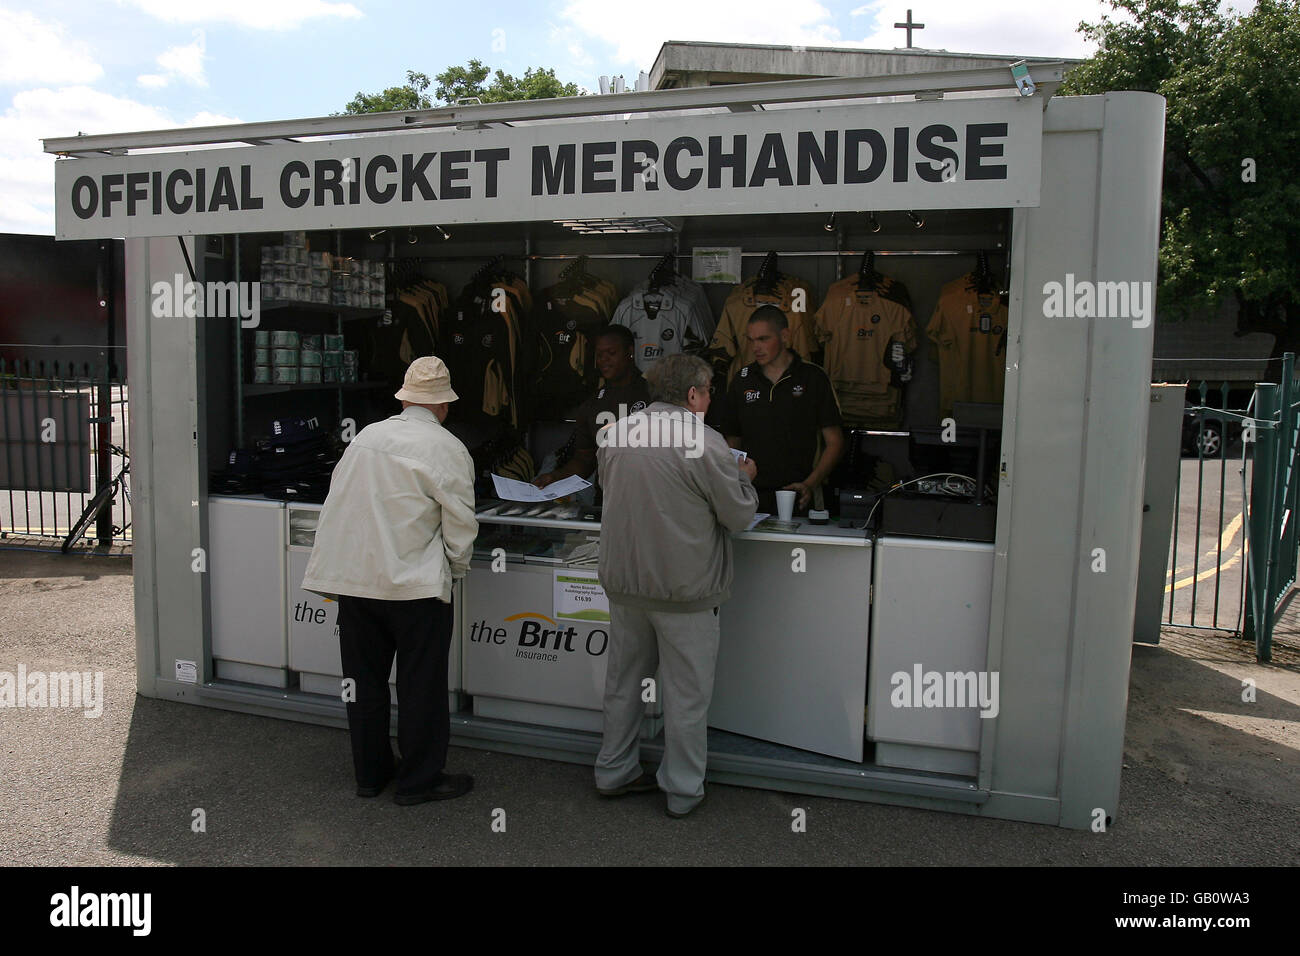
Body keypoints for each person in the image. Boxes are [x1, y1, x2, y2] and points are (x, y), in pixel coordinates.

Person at [301, 356, 478, 805]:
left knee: (364, 685)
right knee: (421, 686)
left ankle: (371, 775)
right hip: (415, 587)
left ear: (404, 398)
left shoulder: (366, 438)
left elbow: (338, 504)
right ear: (444, 406)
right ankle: (418, 782)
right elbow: (461, 525)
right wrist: (454, 572)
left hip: (358, 584)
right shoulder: (448, 448)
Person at [594, 353, 759, 818]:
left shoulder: (615, 434)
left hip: (626, 583)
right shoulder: (705, 443)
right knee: (686, 695)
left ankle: (613, 771)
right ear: (693, 394)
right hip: (686, 590)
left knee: (623, 683)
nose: (709, 400)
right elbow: (738, 516)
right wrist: (744, 479)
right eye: (708, 392)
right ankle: (683, 790)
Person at [716, 305, 845, 515]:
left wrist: (810, 484)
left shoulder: (813, 378)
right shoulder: (742, 379)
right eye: (751, 340)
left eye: (763, 339)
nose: (755, 347)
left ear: (784, 336)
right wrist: (736, 485)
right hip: (752, 494)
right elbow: (732, 442)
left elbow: (835, 442)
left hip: (800, 494)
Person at [534, 324, 650, 489]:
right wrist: (555, 476)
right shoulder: (592, 405)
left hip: (649, 498)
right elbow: (584, 459)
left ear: (629, 352)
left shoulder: (654, 394)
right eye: (599, 355)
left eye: (611, 353)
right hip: (607, 501)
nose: (604, 360)